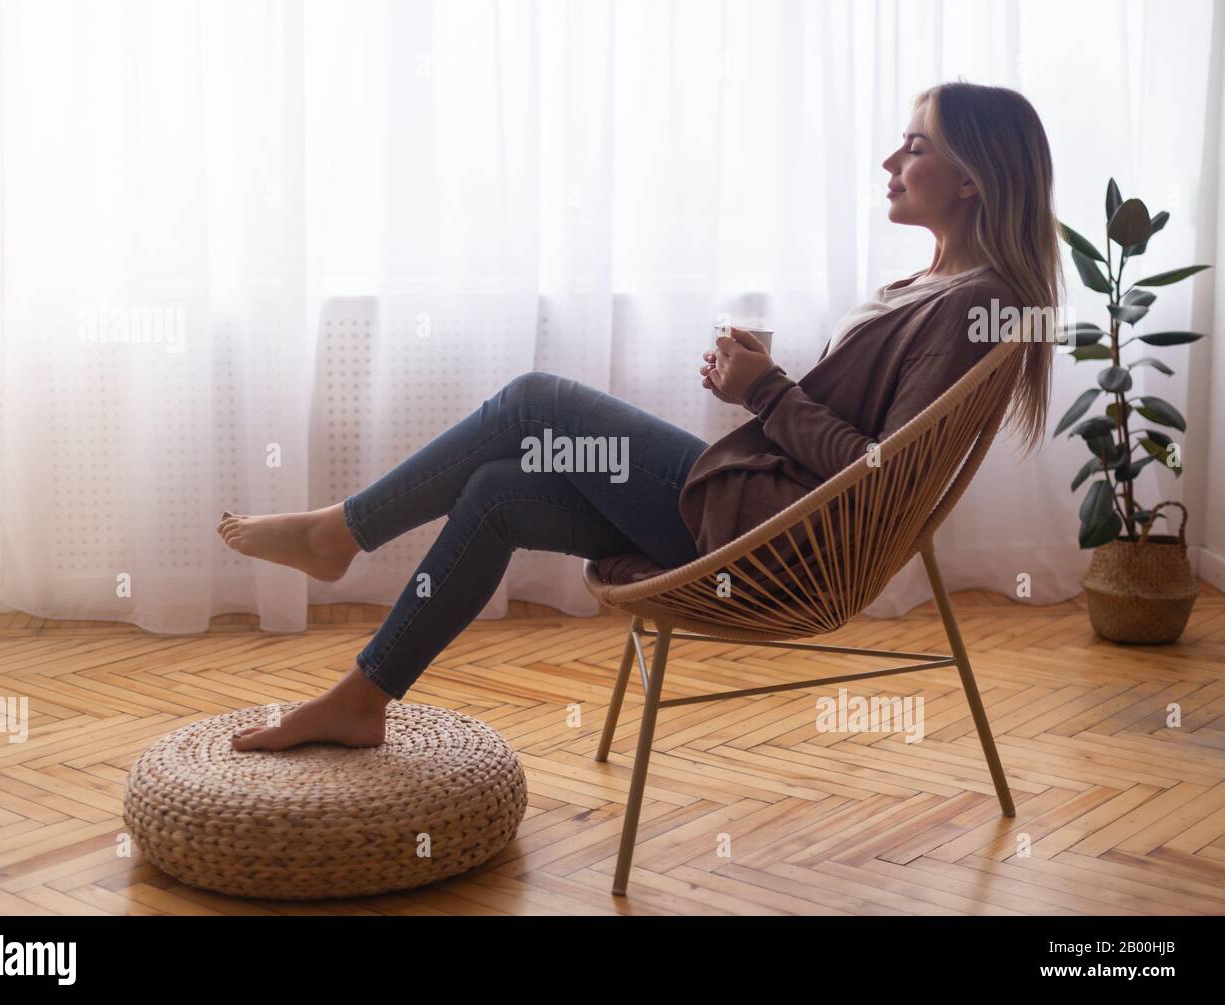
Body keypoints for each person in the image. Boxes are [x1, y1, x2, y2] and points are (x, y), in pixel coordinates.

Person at [221, 81, 1062, 752]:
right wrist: (757, 386)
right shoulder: (936, 290)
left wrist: (767, 391)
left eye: (915, 147)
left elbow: (876, 471)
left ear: (972, 176)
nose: (890, 159)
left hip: (774, 540)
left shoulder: (974, 305)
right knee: (498, 492)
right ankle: (364, 697)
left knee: (532, 399)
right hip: (760, 507)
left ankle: (340, 533)